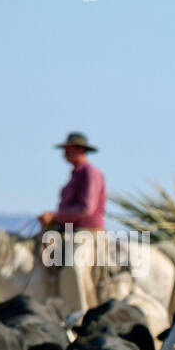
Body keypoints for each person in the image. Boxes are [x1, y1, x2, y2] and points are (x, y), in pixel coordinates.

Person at [37, 132, 107, 314]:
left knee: (72, 265)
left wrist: (54, 216)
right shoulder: (75, 174)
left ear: (80, 149)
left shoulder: (90, 174)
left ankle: (79, 315)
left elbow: (86, 209)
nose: (65, 153)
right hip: (68, 230)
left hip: (87, 231)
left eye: (68, 149)